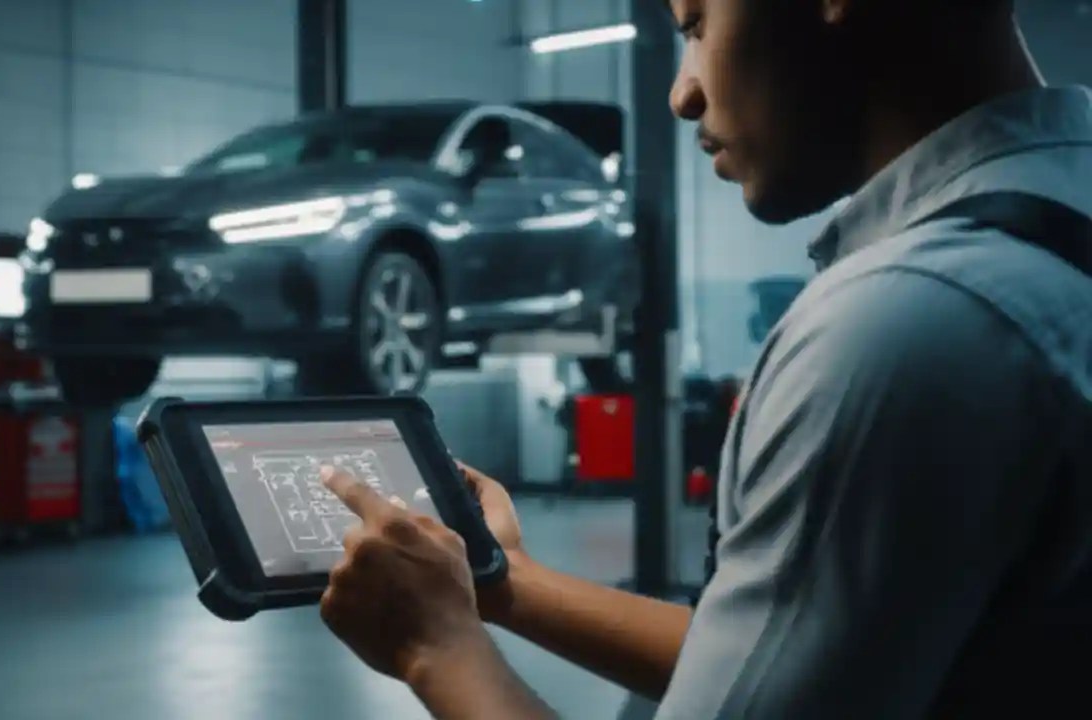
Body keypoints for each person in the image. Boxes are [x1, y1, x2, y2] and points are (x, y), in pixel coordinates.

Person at [317, 0, 1092, 717]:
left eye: (696, 25)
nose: (682, 95)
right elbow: (782, 655)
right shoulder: (1056, 214)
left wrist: (437, 648)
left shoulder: (904, 325)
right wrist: (503, 579)